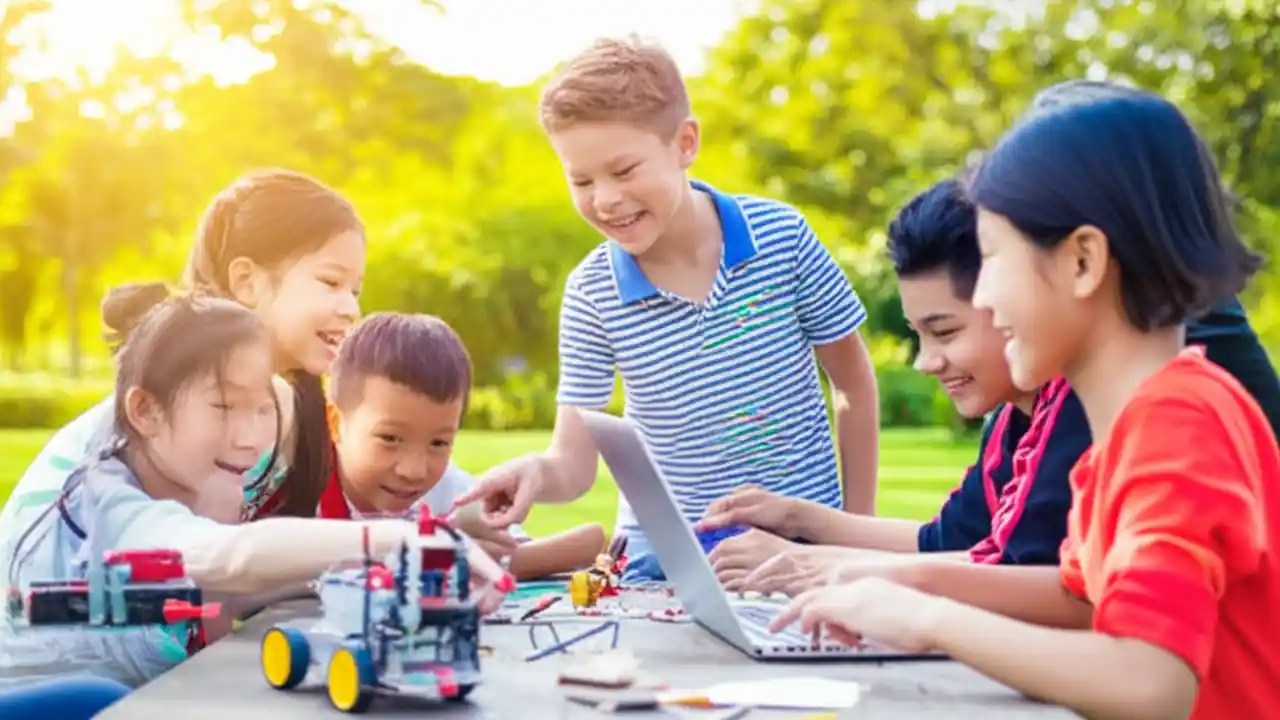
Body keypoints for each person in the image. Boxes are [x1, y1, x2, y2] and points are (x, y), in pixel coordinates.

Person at [773, 85, 1280, 719]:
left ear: (1083, 261)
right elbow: (1083, 598)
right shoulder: (1127, 430)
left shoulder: (1177, 424)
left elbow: (1152, 683)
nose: (981, 297)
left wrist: (928, 617)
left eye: (991, 259)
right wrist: (889, 580)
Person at [703, 173, 1280, 596]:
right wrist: (804, 522)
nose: (927, 362)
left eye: (945, 330)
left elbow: (1062, 596)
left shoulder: (1102, 409)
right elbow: (956, 541)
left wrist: (848, 573)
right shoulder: (1014, 420)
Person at [453, 36, 880, 581]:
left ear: (685, 143)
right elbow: (573, 466)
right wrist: (533, 471)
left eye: (624, 171)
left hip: (795, 552)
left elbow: (854, 386)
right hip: (666, 567)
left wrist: (853, 538)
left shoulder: (782, 238)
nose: (604, 198)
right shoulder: (592, 294)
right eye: (581, 180)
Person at [0, 292, 511, 690]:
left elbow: (229, 590)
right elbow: (229, 560)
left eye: (260, 407)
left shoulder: (204, 481)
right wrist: (396, 540)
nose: (249, 438)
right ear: (145, 411)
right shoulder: (110, 502)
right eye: (223, 408)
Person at [318, 312, 607, 579]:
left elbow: (589, 542)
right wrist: (450, 558)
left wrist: (473, 553)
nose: (414, 470)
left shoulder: (448, 489)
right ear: (335, 423)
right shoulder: (304, 490)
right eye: (390, 438)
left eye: (439, 443)